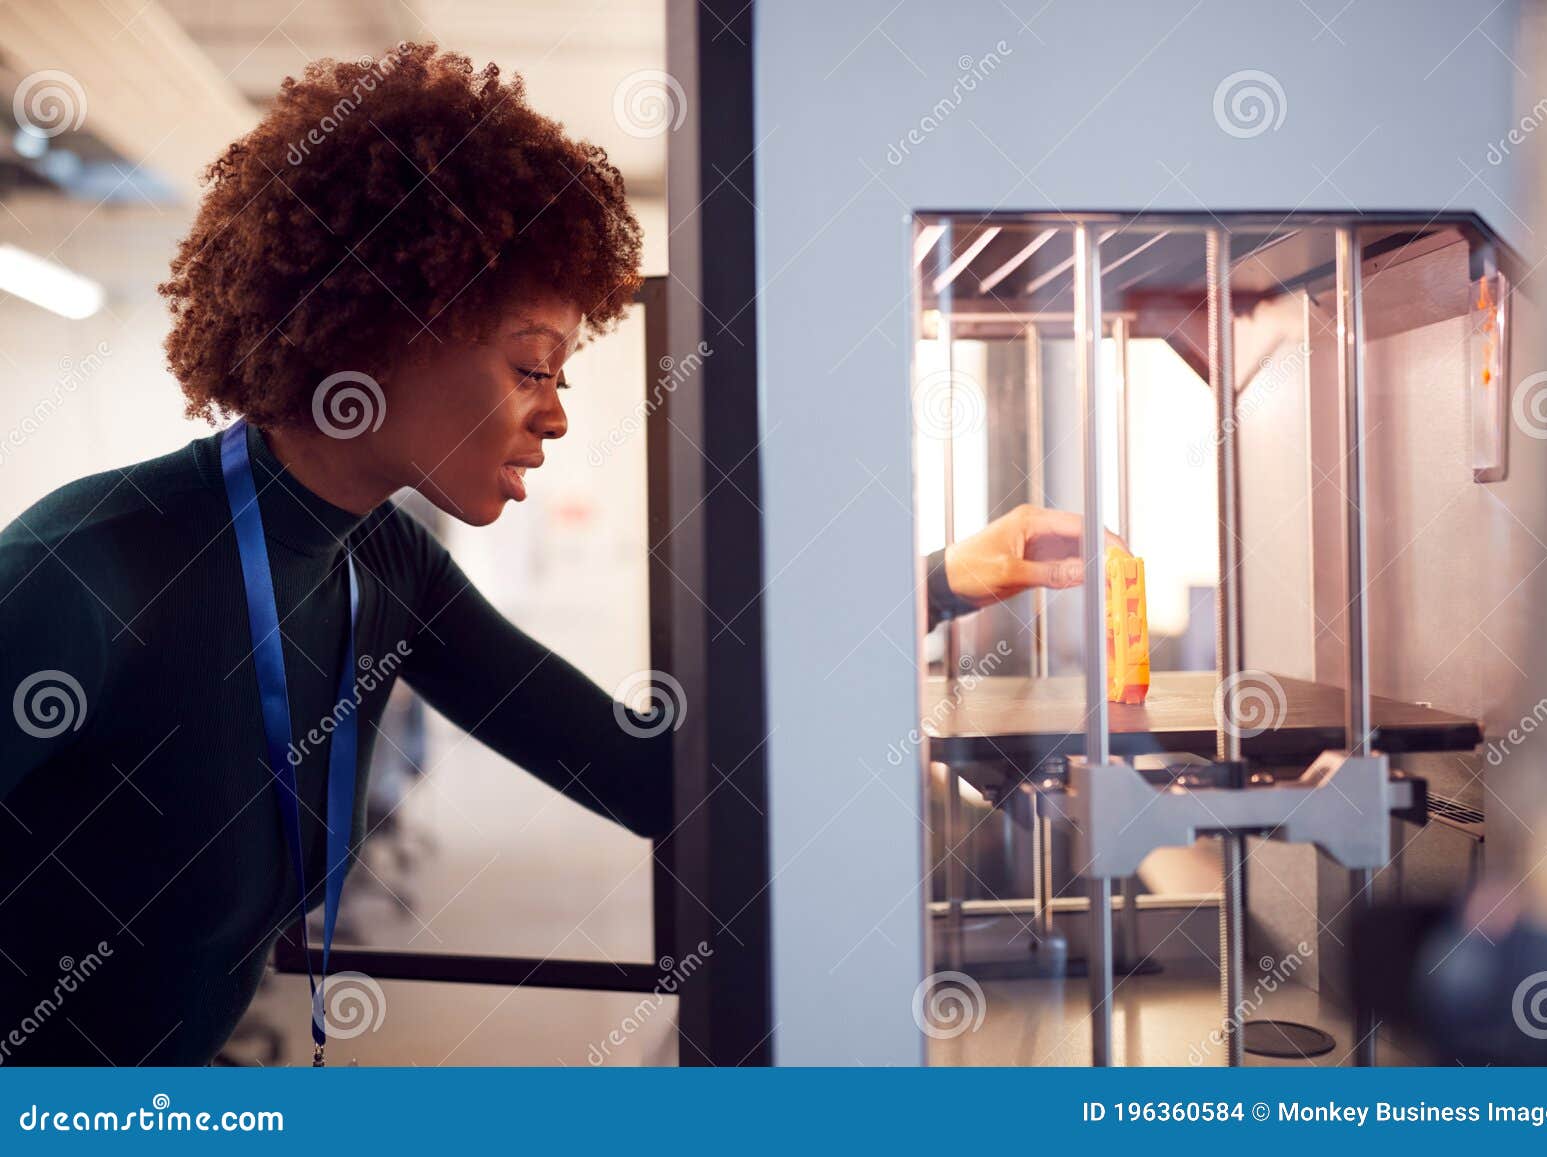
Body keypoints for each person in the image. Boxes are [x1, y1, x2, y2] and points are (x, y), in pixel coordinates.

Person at [0, 46, 1109, 1066]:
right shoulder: (87, 571)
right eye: (533, 366)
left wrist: (942, 581)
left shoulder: (379, 564)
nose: (556, 416)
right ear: (383, 327)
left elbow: (638, 769)